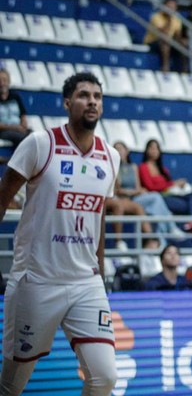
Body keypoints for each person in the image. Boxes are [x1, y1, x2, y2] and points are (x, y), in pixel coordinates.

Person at [0, 72, 119, 394]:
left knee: (105, 376)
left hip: (86, 281)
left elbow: (100, 217)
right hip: (37, 280)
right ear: (68, 103)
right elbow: (4, 195)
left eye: (97, 95)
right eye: (83, 95)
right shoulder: (41, 143)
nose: (92, 101)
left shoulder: (111, 156)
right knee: (12, 384)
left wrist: (101, 270)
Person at [137, 139, 192, 231]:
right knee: (189, 207)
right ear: (147, 150)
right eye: (151, 148)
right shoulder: (143, 167)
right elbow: (150, 187)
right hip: (160, 197)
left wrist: (177, 185)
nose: (154, 151)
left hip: (171, 194)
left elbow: (169, 185)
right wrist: (173, 184)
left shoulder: (163, 169)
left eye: (156, 148)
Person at [144, 0, 185, 73]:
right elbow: (163, 33)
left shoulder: (177, 19)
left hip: (169, 42)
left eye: (173, 6)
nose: (171, 8)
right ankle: (165, 67)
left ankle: (184, 71)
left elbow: (177, 36)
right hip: (153, 42)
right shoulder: (156, 17)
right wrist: (169, 19)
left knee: (184, 46)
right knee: (165, 42)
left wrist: (182, 42)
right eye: (169, 6)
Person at [0, 69, 30, 152]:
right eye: (0, 81)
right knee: (23, 138)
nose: (2, 83)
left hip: (18, 129)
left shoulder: (15, 96)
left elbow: (23, 115)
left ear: (8, 82)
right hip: (4, 131)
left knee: (35, 136)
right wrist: (14, 128)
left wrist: (23, 125)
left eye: (4, 80)